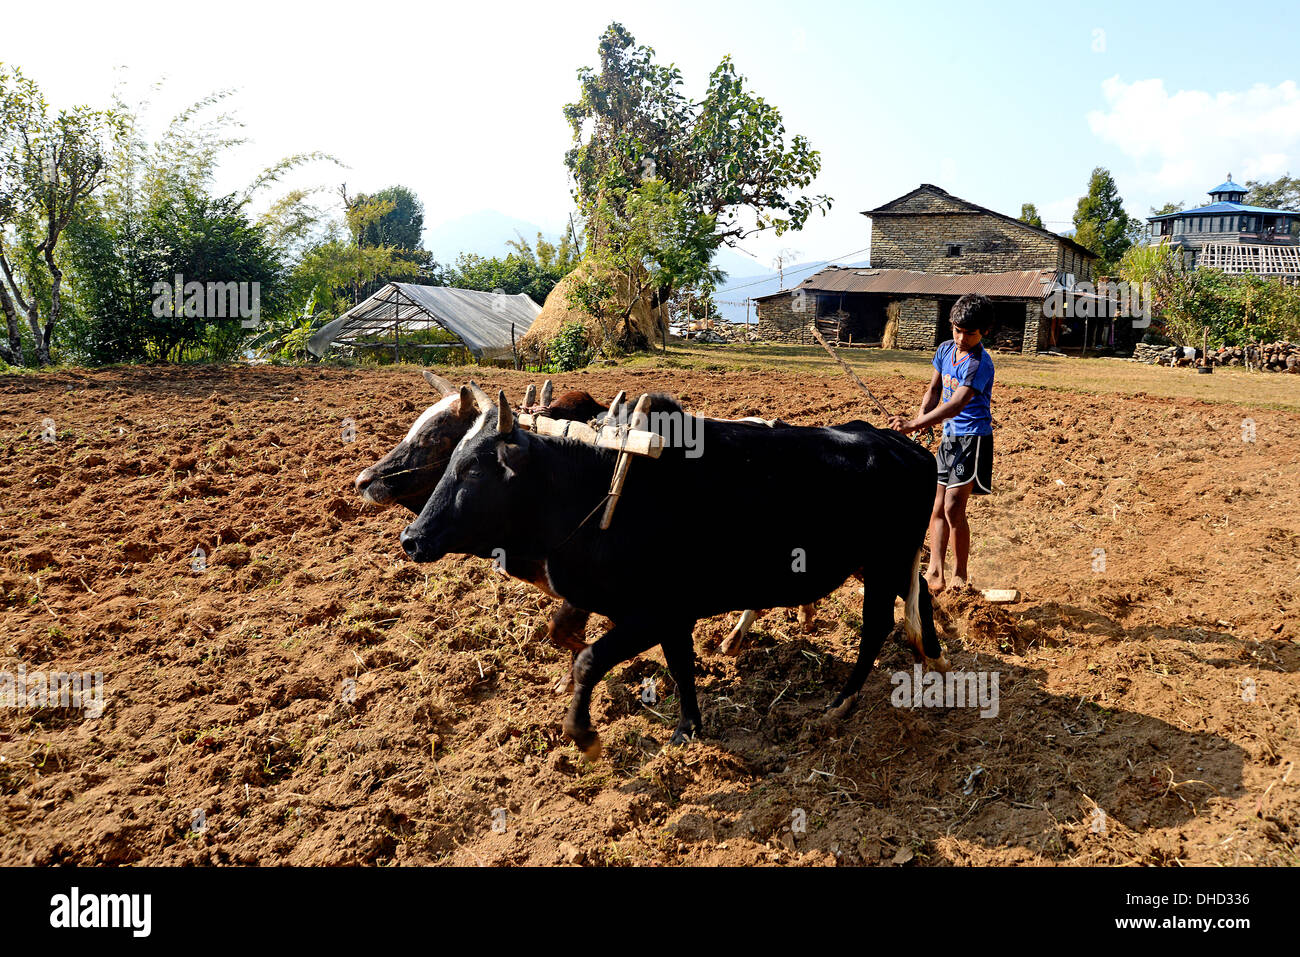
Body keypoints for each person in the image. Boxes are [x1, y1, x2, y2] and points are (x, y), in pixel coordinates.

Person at [889, 293, 996, 593]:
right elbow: (934, 390)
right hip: (948, 437)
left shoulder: (979, 363)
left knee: (952, 508)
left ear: (984, 332)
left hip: (972, 439)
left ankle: (960, 574)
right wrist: (921, 418)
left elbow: (958, 403)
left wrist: (913, 424)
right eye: (957, 330)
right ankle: (935, 571)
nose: (962, 338)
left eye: (970, 333)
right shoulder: (945, 350)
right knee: (935, 505)